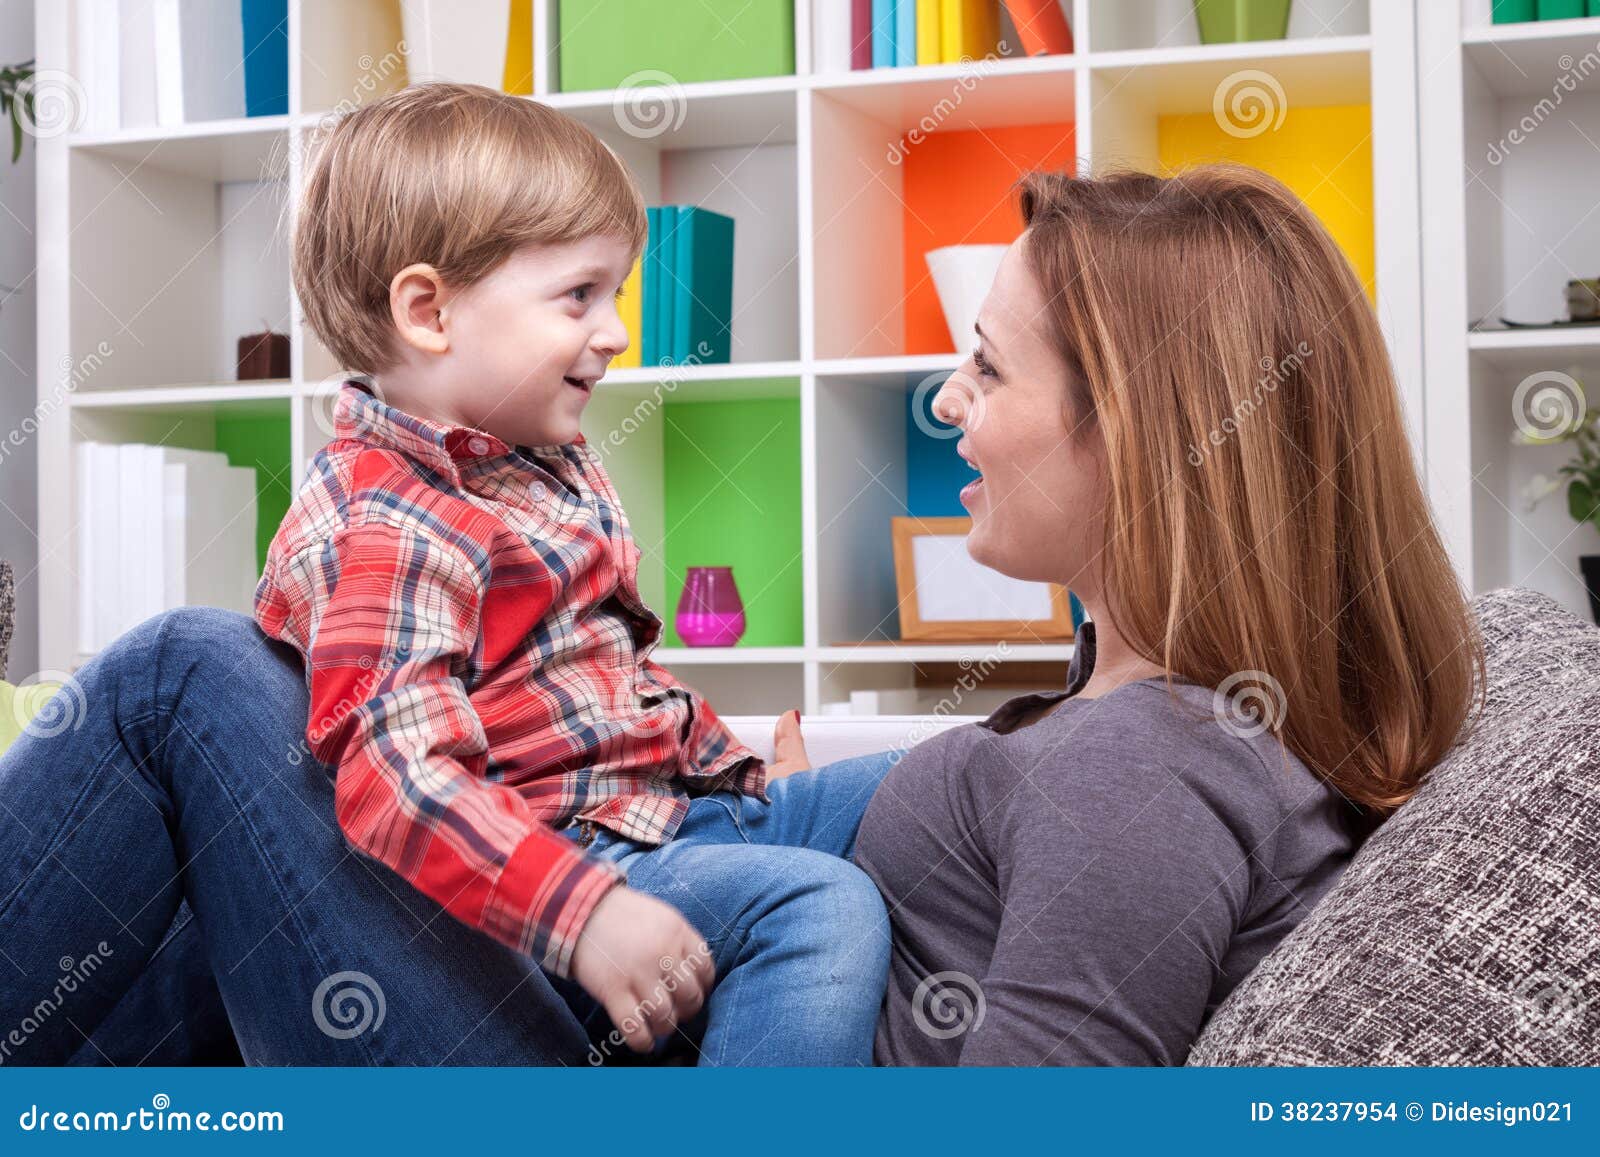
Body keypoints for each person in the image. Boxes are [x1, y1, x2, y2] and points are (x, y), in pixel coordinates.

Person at [0, 83, 896, 1067]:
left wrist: (742, 773)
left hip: (655, 819)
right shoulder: (387, 516)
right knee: (817, 906)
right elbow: (396, 770)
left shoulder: (544, 466)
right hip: (556, 873)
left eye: (617, 294)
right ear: (428, 311)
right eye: (580, 295)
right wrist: (585, 912)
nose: (615, 331)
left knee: (917, 787)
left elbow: (614, 686)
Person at [854, 165, 1484, 1064]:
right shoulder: (1158, 726)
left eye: (988, 365)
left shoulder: (1137, 770)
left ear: (1135, 438)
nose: (949, 398)